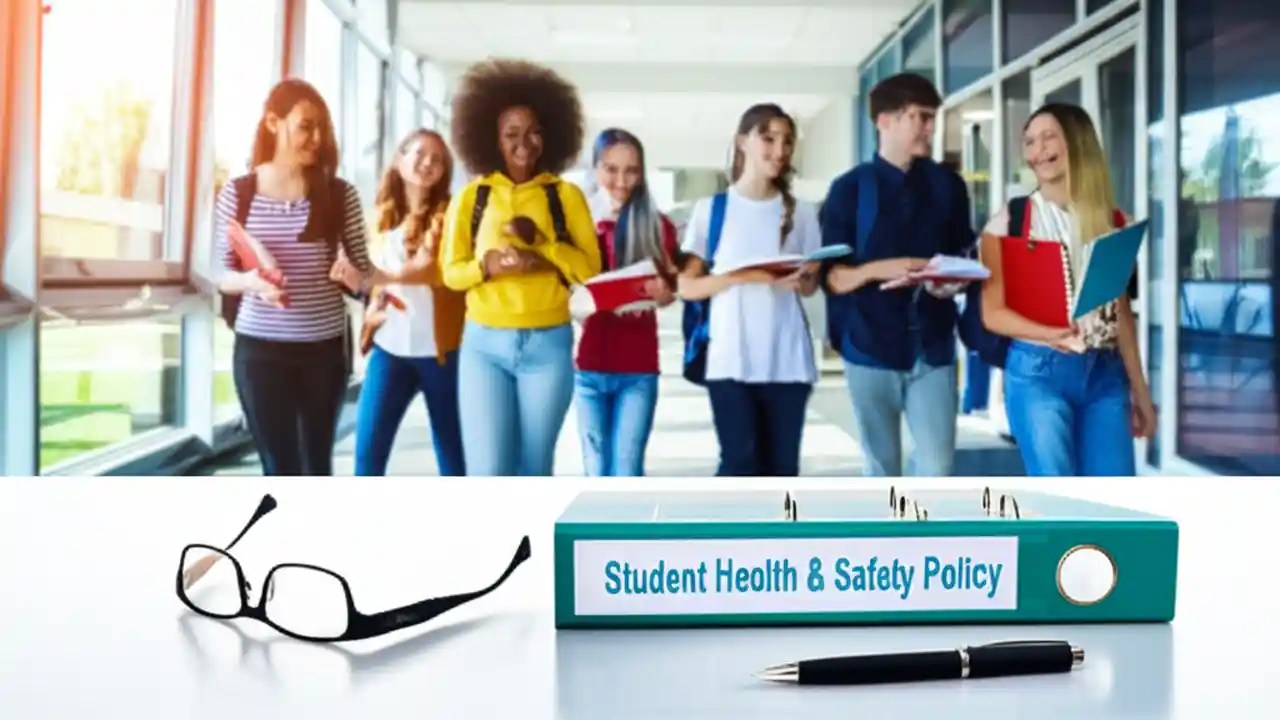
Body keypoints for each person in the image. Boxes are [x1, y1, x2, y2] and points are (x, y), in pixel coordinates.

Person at [216, 78, 422, 476]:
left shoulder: (338, 194)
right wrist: (253, 283)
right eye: (305, 126)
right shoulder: (239, 193)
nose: (316, 138)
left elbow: (364, 276)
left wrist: (367, 281)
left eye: (321, 128)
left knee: (316, 467)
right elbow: (221, 272)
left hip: (324, 354)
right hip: (260, 353)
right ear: (274, 123)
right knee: (280, 468)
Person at [439, 59, 603, 476]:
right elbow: (450, 272)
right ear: (492, 139)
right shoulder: (472, 197)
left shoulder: (564, 197)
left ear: (549, 134)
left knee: (533, 470)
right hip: (483, 345)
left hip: (548, 346)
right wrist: (486, 266)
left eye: (533, 131)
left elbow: (589, 270)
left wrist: (544, 250)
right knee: (488, 473)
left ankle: (531, 543)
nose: (524, 143)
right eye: (511, 133)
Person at [978, 102, 1156, 476]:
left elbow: (1119, 312)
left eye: (1048, 138)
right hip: (1038, 371)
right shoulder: (1010, 220)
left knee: (1112, 499)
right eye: (1029, 142)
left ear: (1077, 142)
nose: (1038, 151)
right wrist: (1051, 333)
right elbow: (992, 314)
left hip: (1105, 375)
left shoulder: (1113, 220)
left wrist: (1140, 392)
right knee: (1058, 498)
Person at [818, 72, 975, 477]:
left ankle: (927, 540)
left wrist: (953, 281)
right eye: (919, 117)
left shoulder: (948, 186)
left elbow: (964, 254)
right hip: (870, 349)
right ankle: (890, 541)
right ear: (884, 120)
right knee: (882, 470)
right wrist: (877, 270)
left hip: (934, 347)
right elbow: (833, 278)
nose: (930, 128)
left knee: (938, 468)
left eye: (932, 118)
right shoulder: (848, 190)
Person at [677, 103, 823, 476]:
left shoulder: (802, 213)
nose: (780, 150)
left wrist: (808, 275)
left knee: (782, 469)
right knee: (739, 464)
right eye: (769, 138)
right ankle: (728, 536)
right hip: (730, 360)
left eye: (787, 141)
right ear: (742, 142)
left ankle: (779, 538)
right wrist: (742, 277)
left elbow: (807, 290)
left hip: (788, 362)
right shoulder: (712, 210)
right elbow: (687, 287)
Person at [349, 128, 466, 476]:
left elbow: (431, 269)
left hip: (440, 356)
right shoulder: (380, 218)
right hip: (390, 351)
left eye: (437, 159)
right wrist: (370, 300)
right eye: (420, 154)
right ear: (400, 160)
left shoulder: (449, 215)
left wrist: (379, 277)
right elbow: (372, 285)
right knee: (367, 458)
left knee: (454, 461)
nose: (428, 163)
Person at [574, 128, 681, 476]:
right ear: (594, 168)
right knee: (596, 470)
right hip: (587, 365)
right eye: (611, 169)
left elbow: (670, 285)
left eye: (632, 171)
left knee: (627, 470)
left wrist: (665, 294)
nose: (621, 181)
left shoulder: (657, 226)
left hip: (637, 368)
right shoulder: (578, 224)